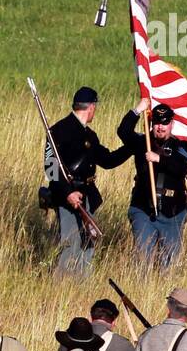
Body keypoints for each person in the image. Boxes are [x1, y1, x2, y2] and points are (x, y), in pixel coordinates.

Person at [45, 86, 132, 277]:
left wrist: (131, 148)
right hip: (67, 198)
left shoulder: (90, 135)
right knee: (69, 244)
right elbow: (51, 169)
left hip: (87, 196)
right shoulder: (58, 131)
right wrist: (68, 192)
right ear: (91, 107)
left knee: (88, 243)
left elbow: (107, 160)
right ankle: (62, 287)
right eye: (95, 106)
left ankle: (83, 287)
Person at [116, 98, 187, 266]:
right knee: (142, 260)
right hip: (143, 209)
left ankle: (164, 291)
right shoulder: (143, 142)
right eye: (157, 123)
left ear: (171, 124)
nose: (160, 127)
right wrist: (137, 110)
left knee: (169, 263)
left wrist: (159, 159)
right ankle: (142, 291)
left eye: (164, 123)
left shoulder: (182, 147)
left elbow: (182, 167)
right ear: (151, 123)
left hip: (173, 210)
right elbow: (123, 132)